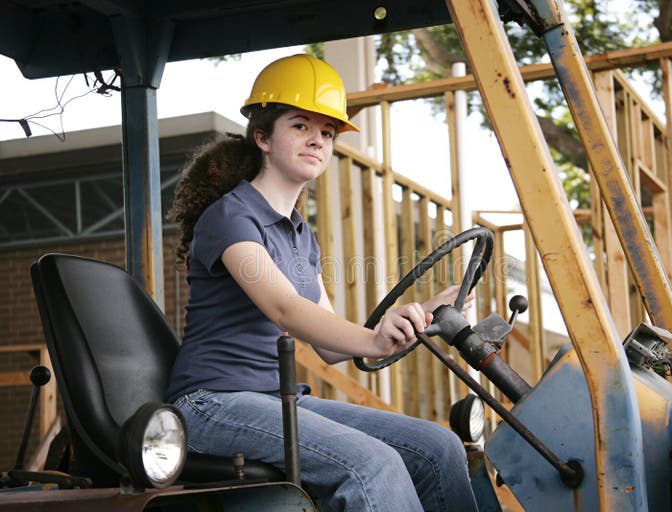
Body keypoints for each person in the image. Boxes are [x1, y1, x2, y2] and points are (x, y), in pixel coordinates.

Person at [165, 53, 479, 512]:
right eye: (300, 126)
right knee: (373, 464)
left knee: (439, 448)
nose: (317, 140)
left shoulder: (299, 232)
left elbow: (329, 343)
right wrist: (374, 339)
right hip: (212, 404)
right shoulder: (231, 216)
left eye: (327, 133)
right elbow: (286, 310)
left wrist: (425, 314)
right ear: (263, 138)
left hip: (277, 401)